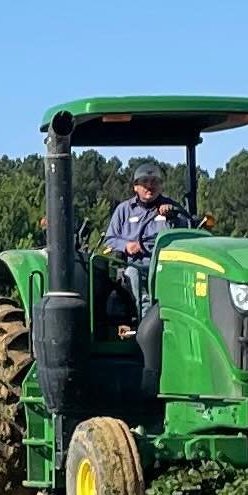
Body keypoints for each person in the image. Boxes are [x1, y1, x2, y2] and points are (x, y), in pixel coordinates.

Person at [104, 167, 179, 397]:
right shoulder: (124, 210)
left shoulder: (171, 208)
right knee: (134, 276)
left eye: (154, 182)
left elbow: (186, 232)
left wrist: (171, 217)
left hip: (165, 263)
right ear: (135, 187)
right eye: (145, 182)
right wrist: (126, 246)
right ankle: (145, 330)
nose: (150, 186)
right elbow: (110, 239)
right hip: (136, 265)